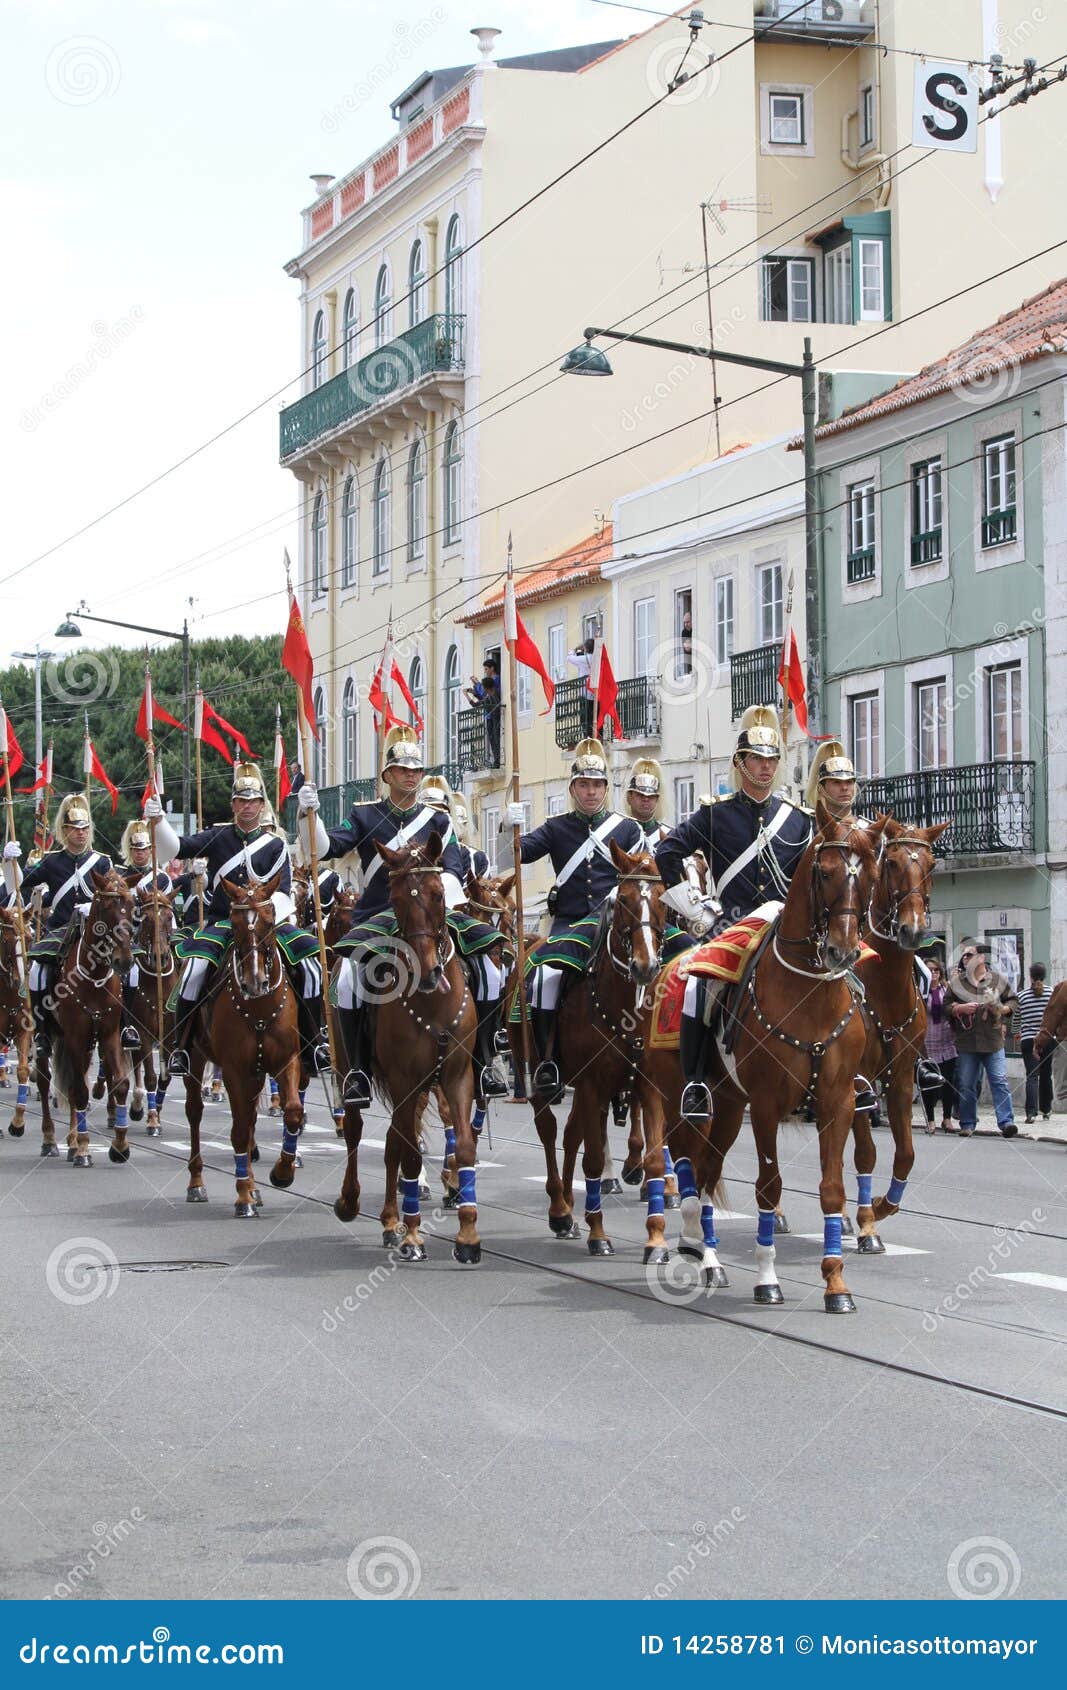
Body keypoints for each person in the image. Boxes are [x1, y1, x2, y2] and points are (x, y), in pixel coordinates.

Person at [297, 727, 508, 1106]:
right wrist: (307, 816)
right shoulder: (364, 817)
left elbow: (455, 866)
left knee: (491, 972)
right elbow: (328, 846)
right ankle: (358, 1071)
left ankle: (485, 1060)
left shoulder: (437, 821)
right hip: (378, 916)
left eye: (416, 770)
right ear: (388, 775)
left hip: (429, 918)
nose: (411, 776)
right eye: (402, 769)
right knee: (347, 979)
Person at [499, 738, 686, 1099]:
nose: (590, 792)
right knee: (540, 976)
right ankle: (548, 1062)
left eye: (597, 784)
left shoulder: (628, 829)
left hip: (617, 920)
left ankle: (664, 1056)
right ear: (572, 788)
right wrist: (510, 827)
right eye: (583, 784)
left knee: (672, 966)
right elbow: (513, 859)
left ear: (606, 788)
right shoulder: (556, 828)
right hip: (570, 924)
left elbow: (646, 877)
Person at [656, 706, 813, 1120]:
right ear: (740, 763)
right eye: (756, 760)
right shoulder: (714, 813)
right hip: (732, 926)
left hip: (783, 928)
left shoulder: (798, 821)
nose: (764, 768)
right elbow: (667, 852)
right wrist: (696, 910)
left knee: (838, 979)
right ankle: (694, 1082)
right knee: (695, 986)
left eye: (771, 760)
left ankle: (836, 1074)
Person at [147, 763, 328, 1078]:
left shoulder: (275, 845)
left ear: (261, 805)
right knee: (193, 970)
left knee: (312, 967)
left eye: (253, 801)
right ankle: (182, 1047)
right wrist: (159, 821)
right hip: (224, 923)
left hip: (268, 924)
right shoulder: (217, 837)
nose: (247, 807)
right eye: (241, 801)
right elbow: (176, 849)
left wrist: (265, 917)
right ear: (233, 805)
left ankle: (314, 1044)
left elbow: (283, 892)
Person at [2, 794, 115, 1058]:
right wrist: (10, 862)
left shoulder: (102, 861)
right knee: (39, 970)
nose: (81, 834)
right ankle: (42, 1032)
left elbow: (116, 891)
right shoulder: (53, 861)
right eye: (75, 829)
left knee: (130, 968)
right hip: (61, 929)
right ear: (64, 831)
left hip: (94, 930)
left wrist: (96, 905)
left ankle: (126, 1027)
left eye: (85, 829)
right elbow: (19, 883)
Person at [947, 944, 1019, 1137]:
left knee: (999, 1080)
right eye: (963, 956)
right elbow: (945, 1006)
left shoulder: (997, 980)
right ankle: (968, 1123)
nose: (964, 958)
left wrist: (1002, 1009)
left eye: (969, 955)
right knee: (966, 1084)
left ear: (980, 958)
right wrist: (958, 1009)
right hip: (967, 1042)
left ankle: (1006, 1123)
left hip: (993, 1041)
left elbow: (1013, 1001)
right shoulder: (957, 983)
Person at [114, 818, 173, 1050]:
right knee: (126, 973)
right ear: (130, 850)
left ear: (152, 849)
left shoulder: (162, 877)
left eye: (145, 848)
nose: (141, 853)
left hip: (156, 936)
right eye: (136, 849)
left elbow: (168, 912)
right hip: (126, 936)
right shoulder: (119, 875)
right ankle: (125, 1023)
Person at [919, 958, 958, 1133]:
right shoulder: (921, 991)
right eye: (930, 970)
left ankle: (947, 1119)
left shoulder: (947, 989)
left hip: (947, 1040)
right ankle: (931, 1120)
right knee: (929, 1083)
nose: (933, 973)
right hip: (928, 1042)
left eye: (936, 970)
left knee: (948, 1082)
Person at [1017, 962, 1054, 1123]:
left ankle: (1031, 1113)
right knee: (1046, 1075)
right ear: (1044, 976)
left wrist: (1017, 1032)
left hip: (1027, 1040)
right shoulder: (1051, 993)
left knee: (1032, 1076)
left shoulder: (1021, 995)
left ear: (1030, 976)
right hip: (1047, 1040)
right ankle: (1046, 1109)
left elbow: (1016, 1020)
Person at [464, 658, 502, 769]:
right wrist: (475, 692)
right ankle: (496, 760)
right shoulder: (491, 690)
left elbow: (483, 697)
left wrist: (476, 685)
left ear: (492, 668)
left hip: (493, 715)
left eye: (486, 669)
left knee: (494, 738)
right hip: (489, 714)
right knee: (492, 738)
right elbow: (484, 697)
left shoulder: (496, 680)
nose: (485, 671)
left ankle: (497, 761)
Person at [624, 756, 671, 846]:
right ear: (629, 797)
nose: (646, 799)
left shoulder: (669, 836)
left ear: (657, 799)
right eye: (640, 795)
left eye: (651, 796)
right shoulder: (618, 831)